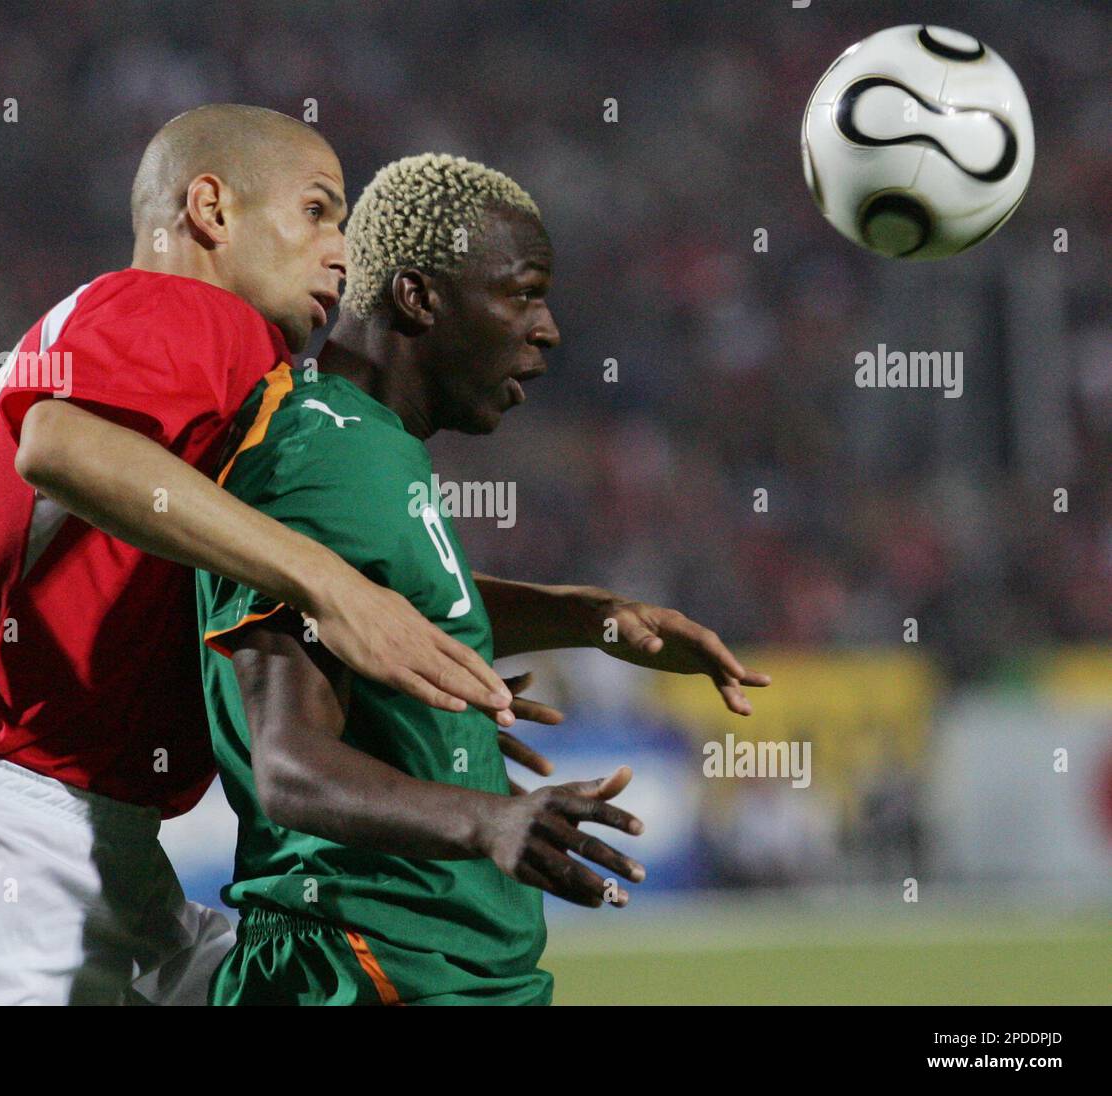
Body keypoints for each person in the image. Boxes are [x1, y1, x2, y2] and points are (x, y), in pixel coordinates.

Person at [0, 106, 517, 1007]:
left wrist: (560, 621)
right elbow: (59, 447)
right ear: (210, 209)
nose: (343, 252)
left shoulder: (215, 362)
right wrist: (327, 583)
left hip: (100, 852)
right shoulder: (190, 310)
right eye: (318, 211)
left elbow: (344, 579)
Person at [197, 154, 769, 1005]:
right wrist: (491, 818)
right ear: (420, 299)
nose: (548, 328)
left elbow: (399, 601)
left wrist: (597, 617)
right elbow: (291, 766)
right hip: (368, 968)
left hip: (437, 966)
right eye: (523, 293)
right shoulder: (323, 455)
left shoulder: (370, 445)